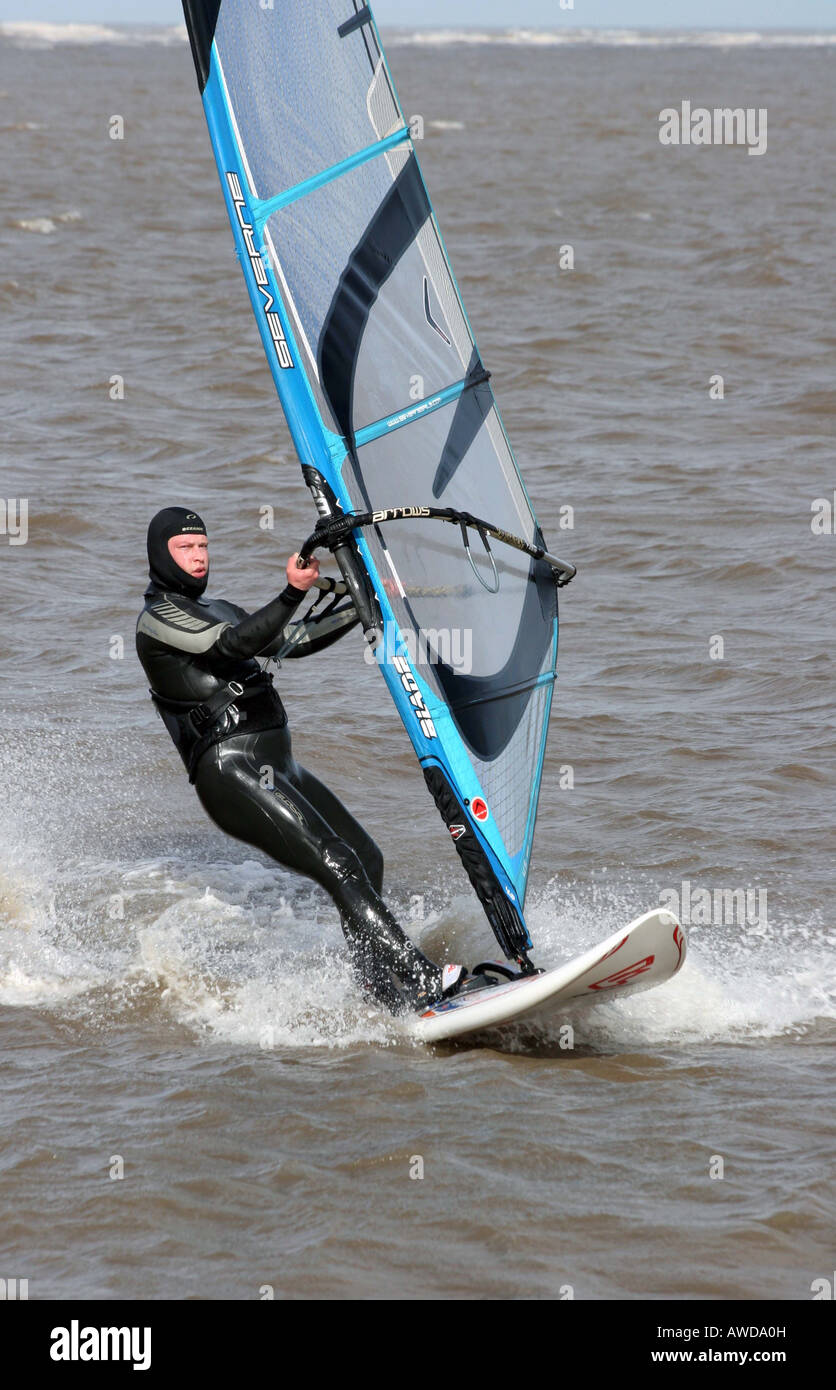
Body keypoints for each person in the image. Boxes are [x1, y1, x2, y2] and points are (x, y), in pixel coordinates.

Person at [135, 506, 482, 1014]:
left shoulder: (221, 606)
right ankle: (424, 978)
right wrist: (294, 592)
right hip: (230, 771)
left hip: (278, 762)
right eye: (185, 549)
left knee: (365, 856)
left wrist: (361, 601)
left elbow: (291, 641)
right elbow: (235, 644)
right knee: (335, 862)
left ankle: (378, 990)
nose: (198, 557)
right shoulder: (158, 619)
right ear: (161, 556)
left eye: (203, 546)